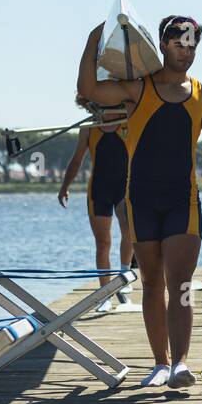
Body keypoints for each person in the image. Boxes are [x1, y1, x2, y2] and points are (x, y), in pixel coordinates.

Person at [77, 14, 202, 389]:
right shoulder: (138, 89)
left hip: (183, 201)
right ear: (162, 44)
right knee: (152, 282)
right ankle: (160, 362)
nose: (186, 52)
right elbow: (90, 89)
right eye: (179, 44)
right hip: (140, 200)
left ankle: (181, 364)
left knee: (182, 282)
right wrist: (95, 38)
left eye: (192, 45)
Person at [58, 97, 134, 313]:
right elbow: (76, 160)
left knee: (129, 229)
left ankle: (124, 276)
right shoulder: (89, 127)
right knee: (103, 244)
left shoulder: (129, 121)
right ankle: (105, 296)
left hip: (124, 187)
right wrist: (65, 186)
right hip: (99, 190)